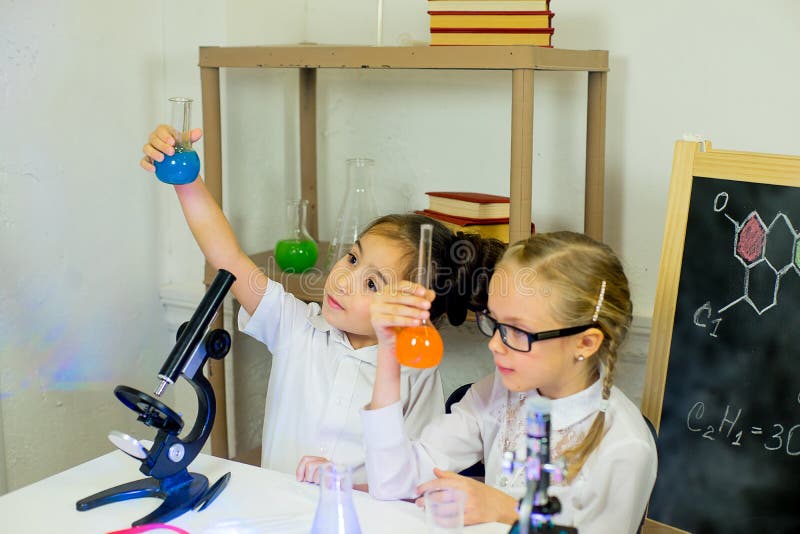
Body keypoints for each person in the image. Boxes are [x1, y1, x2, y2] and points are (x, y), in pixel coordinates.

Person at [140, 125, 506, 486]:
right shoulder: (296, 326)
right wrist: (186, 182)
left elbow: (410, 480)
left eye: (372, 283)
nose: (344, 279)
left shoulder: (414, 374)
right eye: (351, 258)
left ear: (412, 307)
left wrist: (341, 483)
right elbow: (228, 258)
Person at [362, 231, 657, 532]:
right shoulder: (497, 394)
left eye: (518, 331)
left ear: (585, 343)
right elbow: (391, 482)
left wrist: (509, 511)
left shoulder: (624, 447)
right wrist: (388, 349)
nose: (494, 344)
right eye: (495, 322)